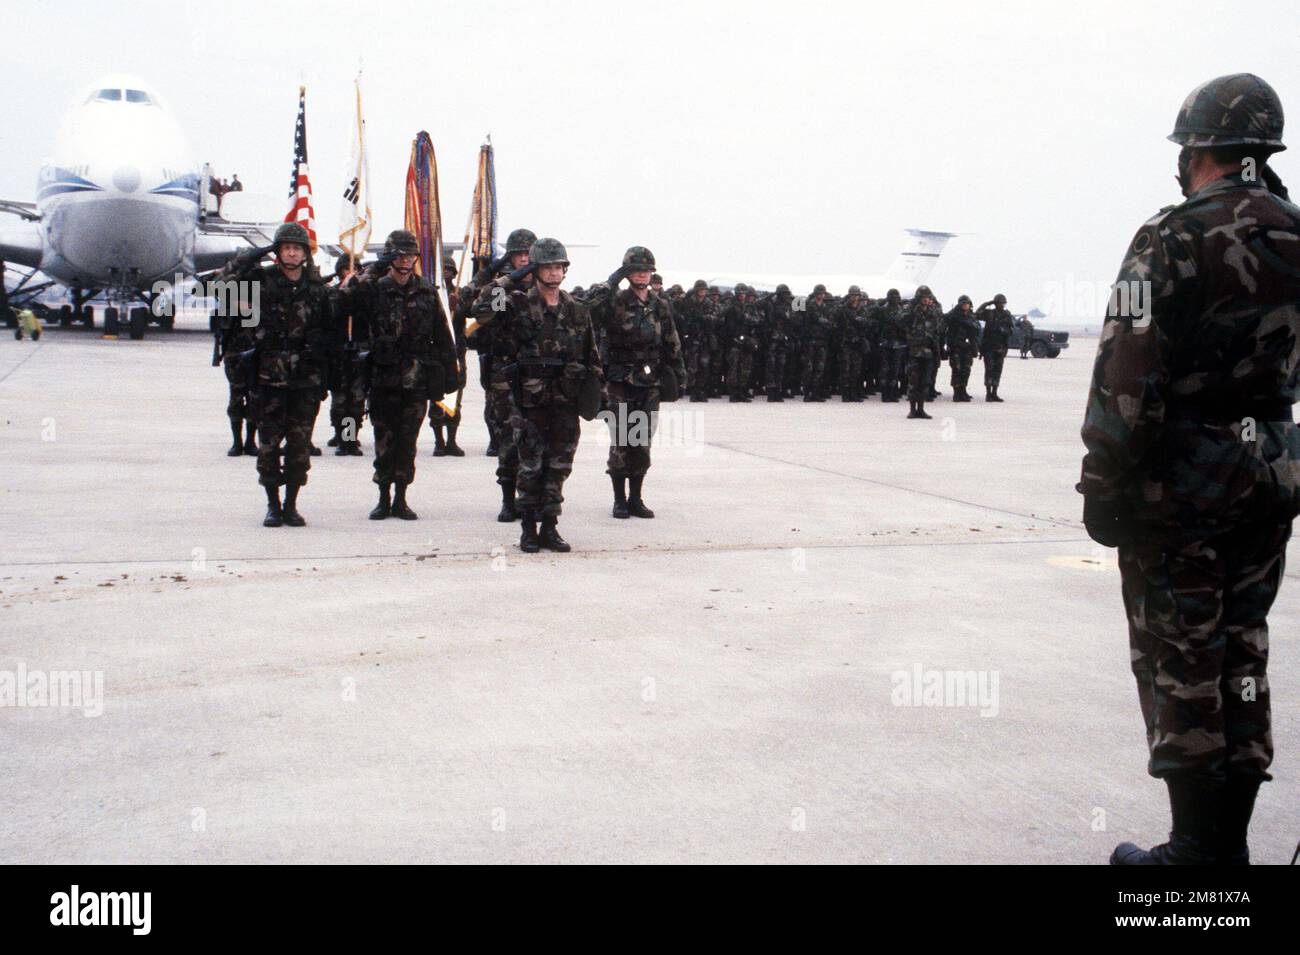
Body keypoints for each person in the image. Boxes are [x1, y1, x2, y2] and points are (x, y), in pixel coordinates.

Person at [1079, 73, 1299, 866]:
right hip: (1271, 470)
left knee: (1183, 653)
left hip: (1185, 482)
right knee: (1242, 648)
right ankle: (1228, 841)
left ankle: (1197, 853)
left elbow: (1124, 377)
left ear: (1198, 149)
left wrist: (1103, 482)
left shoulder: (1173, 235)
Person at [475, 239, 600, 552]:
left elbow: (590, 355)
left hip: (565, 401)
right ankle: (528, 529)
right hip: (530, 402)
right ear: (535, 269)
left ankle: (551, 527)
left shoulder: (577, 309)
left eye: (559, 267)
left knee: (559, 467)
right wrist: (512, 277)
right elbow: (478, 308)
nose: (554, 273)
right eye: (547, 267)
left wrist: (595, 395)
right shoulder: (517, 304)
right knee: (530, 466)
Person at [219, 222, 334, 527]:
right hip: (268, 380)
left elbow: (328, 334)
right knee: (268, 446)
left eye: (297, 248)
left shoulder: (316, 290)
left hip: (304, 383)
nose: (292, 253)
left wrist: (325, 379)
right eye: (286, 248)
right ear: (278, 252)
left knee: (299, 447)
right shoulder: (261, 281)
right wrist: (250, 257)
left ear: (305, 254)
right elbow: (223, 285)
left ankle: (292, 505)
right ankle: (272, 505)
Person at [342, 229, 458, 521]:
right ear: (389, 258)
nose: (406, 261)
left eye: (410, 255)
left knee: (408, 441)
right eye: (400, 255)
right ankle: (383, 497)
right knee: (384, 440)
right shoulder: (374, 289)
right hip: (383, 378)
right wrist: (373, 270)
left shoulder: (427, 292)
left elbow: (442, 335)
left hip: (416, 381)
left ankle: (402, 498)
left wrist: (450, 374)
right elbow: (345, 301)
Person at [585, 246, 687, 519]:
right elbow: (589, 308)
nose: (641, 274)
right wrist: (612, 279)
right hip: (619, 381)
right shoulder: (614, 301)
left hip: (649, 382)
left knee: (641, 441)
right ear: (628, 273)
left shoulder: (660, 305)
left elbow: (671, 341)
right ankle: (619, 500)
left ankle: (636, 498)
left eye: (645, 270)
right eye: (635, 270)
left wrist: (679, 375)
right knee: (621, 440)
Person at [464, 228, 536, 519]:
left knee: (533, 439)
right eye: (518, 255)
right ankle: (508, 498)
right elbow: (476, 308)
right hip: (504, 371)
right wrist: (499, 275)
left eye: (528, 254)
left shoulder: (544, 284)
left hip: (535, 371)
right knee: (508, 436)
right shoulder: (501, 286)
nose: (523, 260)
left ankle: (528, 497)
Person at [428, 252, 466, 457]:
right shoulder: (431, 294)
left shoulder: (458, 294)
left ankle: (451, 440)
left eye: (450, 270)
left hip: (456, 354)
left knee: (454, 400)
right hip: (436, 355)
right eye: (444, 270)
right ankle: (438, 441)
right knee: (436, 401)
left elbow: (468, 320)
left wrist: (456, 307)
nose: (447, 273)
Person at [904, 286, 943, 419]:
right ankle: (912, 409)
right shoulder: (911, 311)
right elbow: (900, 320)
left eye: (928, 298)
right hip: (915, 352)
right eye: (924, 298)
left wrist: (937, 351)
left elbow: (938, 328)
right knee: (913, 381)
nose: (927, 300)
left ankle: (921, 409)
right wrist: (912, 307)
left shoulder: (932, 312)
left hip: (928, 352)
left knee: (925, 381)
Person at [976, 293, 1013, 401]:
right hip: (989, 347)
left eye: (1003, 303)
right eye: (1000, 303)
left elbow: (1010, 329)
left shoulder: (1007, 314)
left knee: (998, 370)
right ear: (996, 303)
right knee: (989, 369)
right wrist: (988, 303)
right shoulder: (989, 313)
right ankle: (988, 393)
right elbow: (977, 314)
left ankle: (994, 393)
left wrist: (1003, 330)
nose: (1002, 305)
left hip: (1000, 346)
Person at [944, 294, 980, 402]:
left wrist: (975, 348)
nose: (965, 306)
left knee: (966, 370)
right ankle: (956, 392)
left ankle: (963, 391)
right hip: (956, 347)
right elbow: (945, 319)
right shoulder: (954, 315)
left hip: (967, 348)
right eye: (963, 304)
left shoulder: (971, 316)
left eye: (967, 304)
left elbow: (977, 328)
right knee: (957, 369)